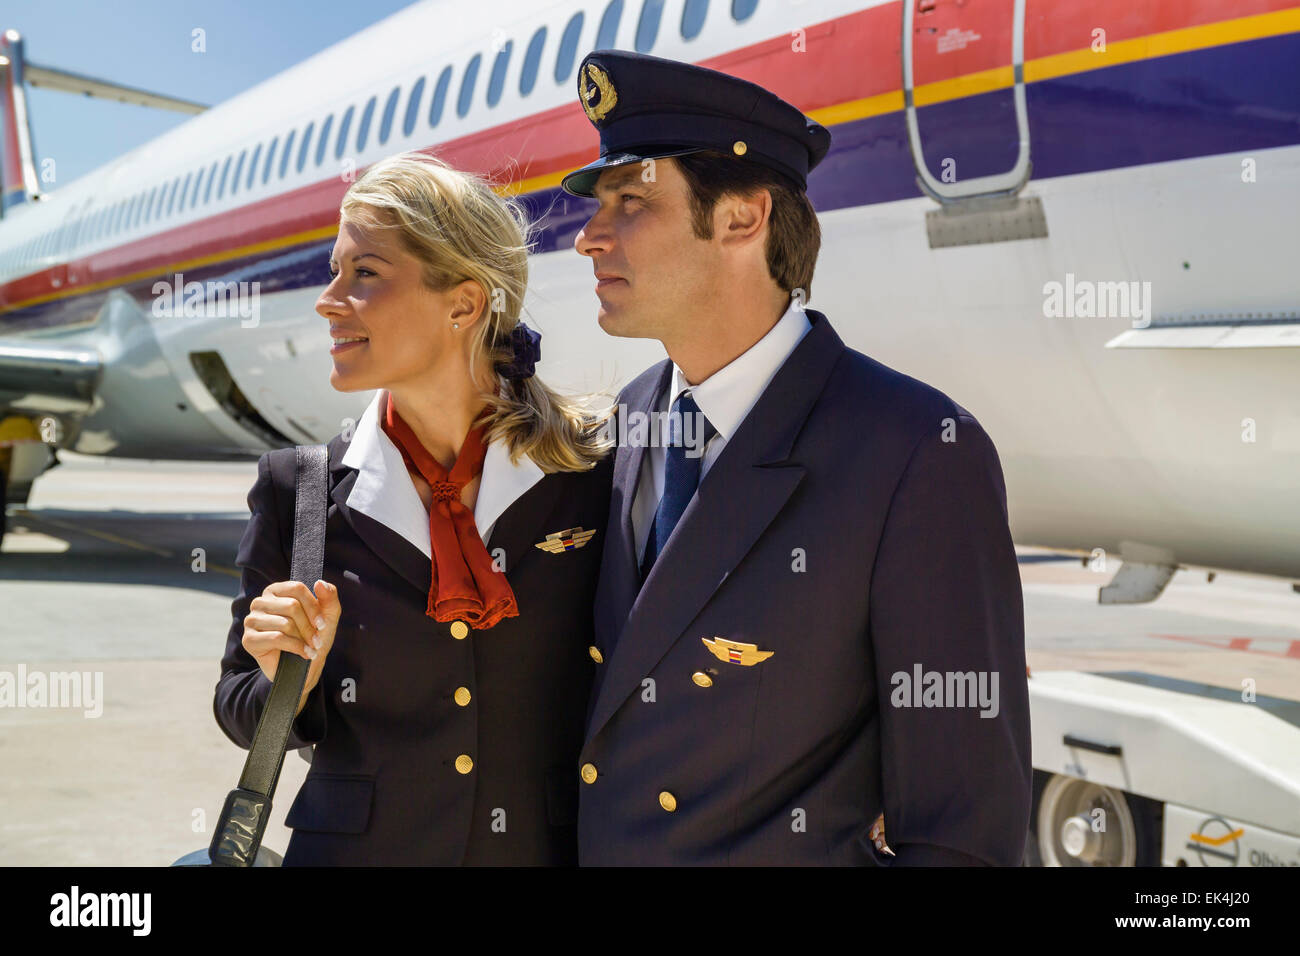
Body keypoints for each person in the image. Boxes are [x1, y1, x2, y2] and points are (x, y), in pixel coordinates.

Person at [563, 50, 1031, 865]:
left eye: (631, 202)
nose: (589, 239)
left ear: (742, 218)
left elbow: (961, 826)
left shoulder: (915, 452)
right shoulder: (629, 419)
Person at [213, 151, 612, 865]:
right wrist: (282, 674)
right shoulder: (297, 489)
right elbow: (239, 711)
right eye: (337, 271)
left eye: (363, 273)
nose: (328, 299)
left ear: (463, 303)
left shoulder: (590, 475)